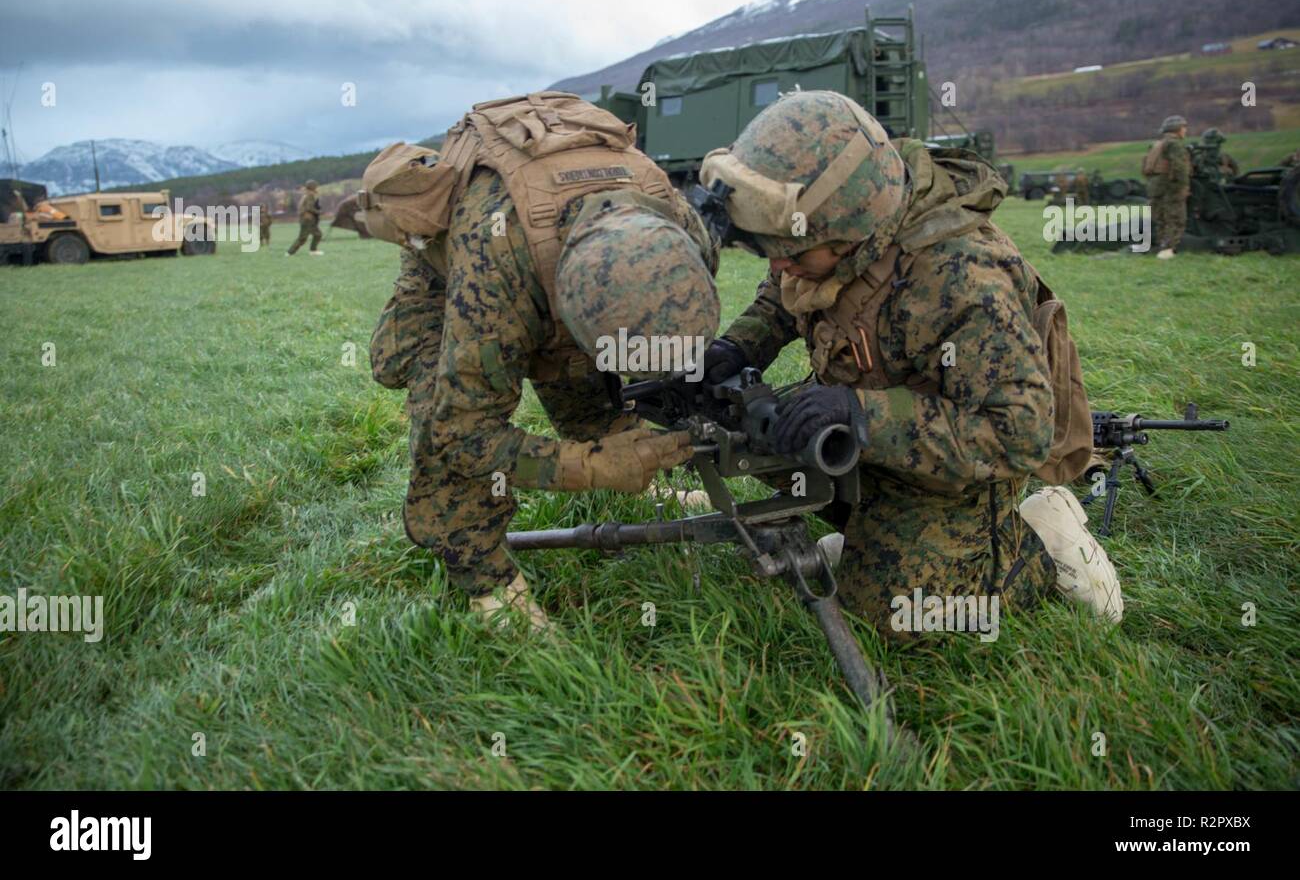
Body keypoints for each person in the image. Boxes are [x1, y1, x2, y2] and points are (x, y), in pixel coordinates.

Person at [692, 89, 1120, 639]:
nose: (779, 263)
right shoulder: (833, 232)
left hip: (965, 461)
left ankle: (1038, 543)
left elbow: (1019, 433)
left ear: (851, 231)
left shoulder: (962, 276)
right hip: (883, 427)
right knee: (767, 441)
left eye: (793, 252)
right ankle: (876, 532)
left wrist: (860, 415)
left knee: (895, 617)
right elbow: (785, 291)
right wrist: (738, 347)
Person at [362, 92, 721, 630]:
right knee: (438, 411)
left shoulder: (682, 232)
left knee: (583, 380)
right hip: (466, 267)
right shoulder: (494, 277)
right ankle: (489, 585)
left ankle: (636, 459)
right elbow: (465, 433)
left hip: (554, 256)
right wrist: (592, 468)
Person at [1142, 115, 1191, 259]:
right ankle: (1168, 249)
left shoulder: (1157, 144)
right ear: (1177, 129)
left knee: (1160, 217)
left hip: (1154, 184)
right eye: (1183, 127)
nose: (1185, 131)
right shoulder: (1174, 144)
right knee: (1175, 217)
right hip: (1169, 185)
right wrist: (1183, 186)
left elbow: (1145, 166)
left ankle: (1162, 246)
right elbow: (1180, 167)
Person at [287, 180, 322, 255]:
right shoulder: (310, 195)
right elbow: (309, 207)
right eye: (316, 186)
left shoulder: (307, 194)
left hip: (307, 218)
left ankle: (313, 251)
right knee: (303, 238)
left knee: (317, 234)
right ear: (313, 187)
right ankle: (290, 252)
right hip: (307, 219)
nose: (317, 188)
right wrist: (318, 212)